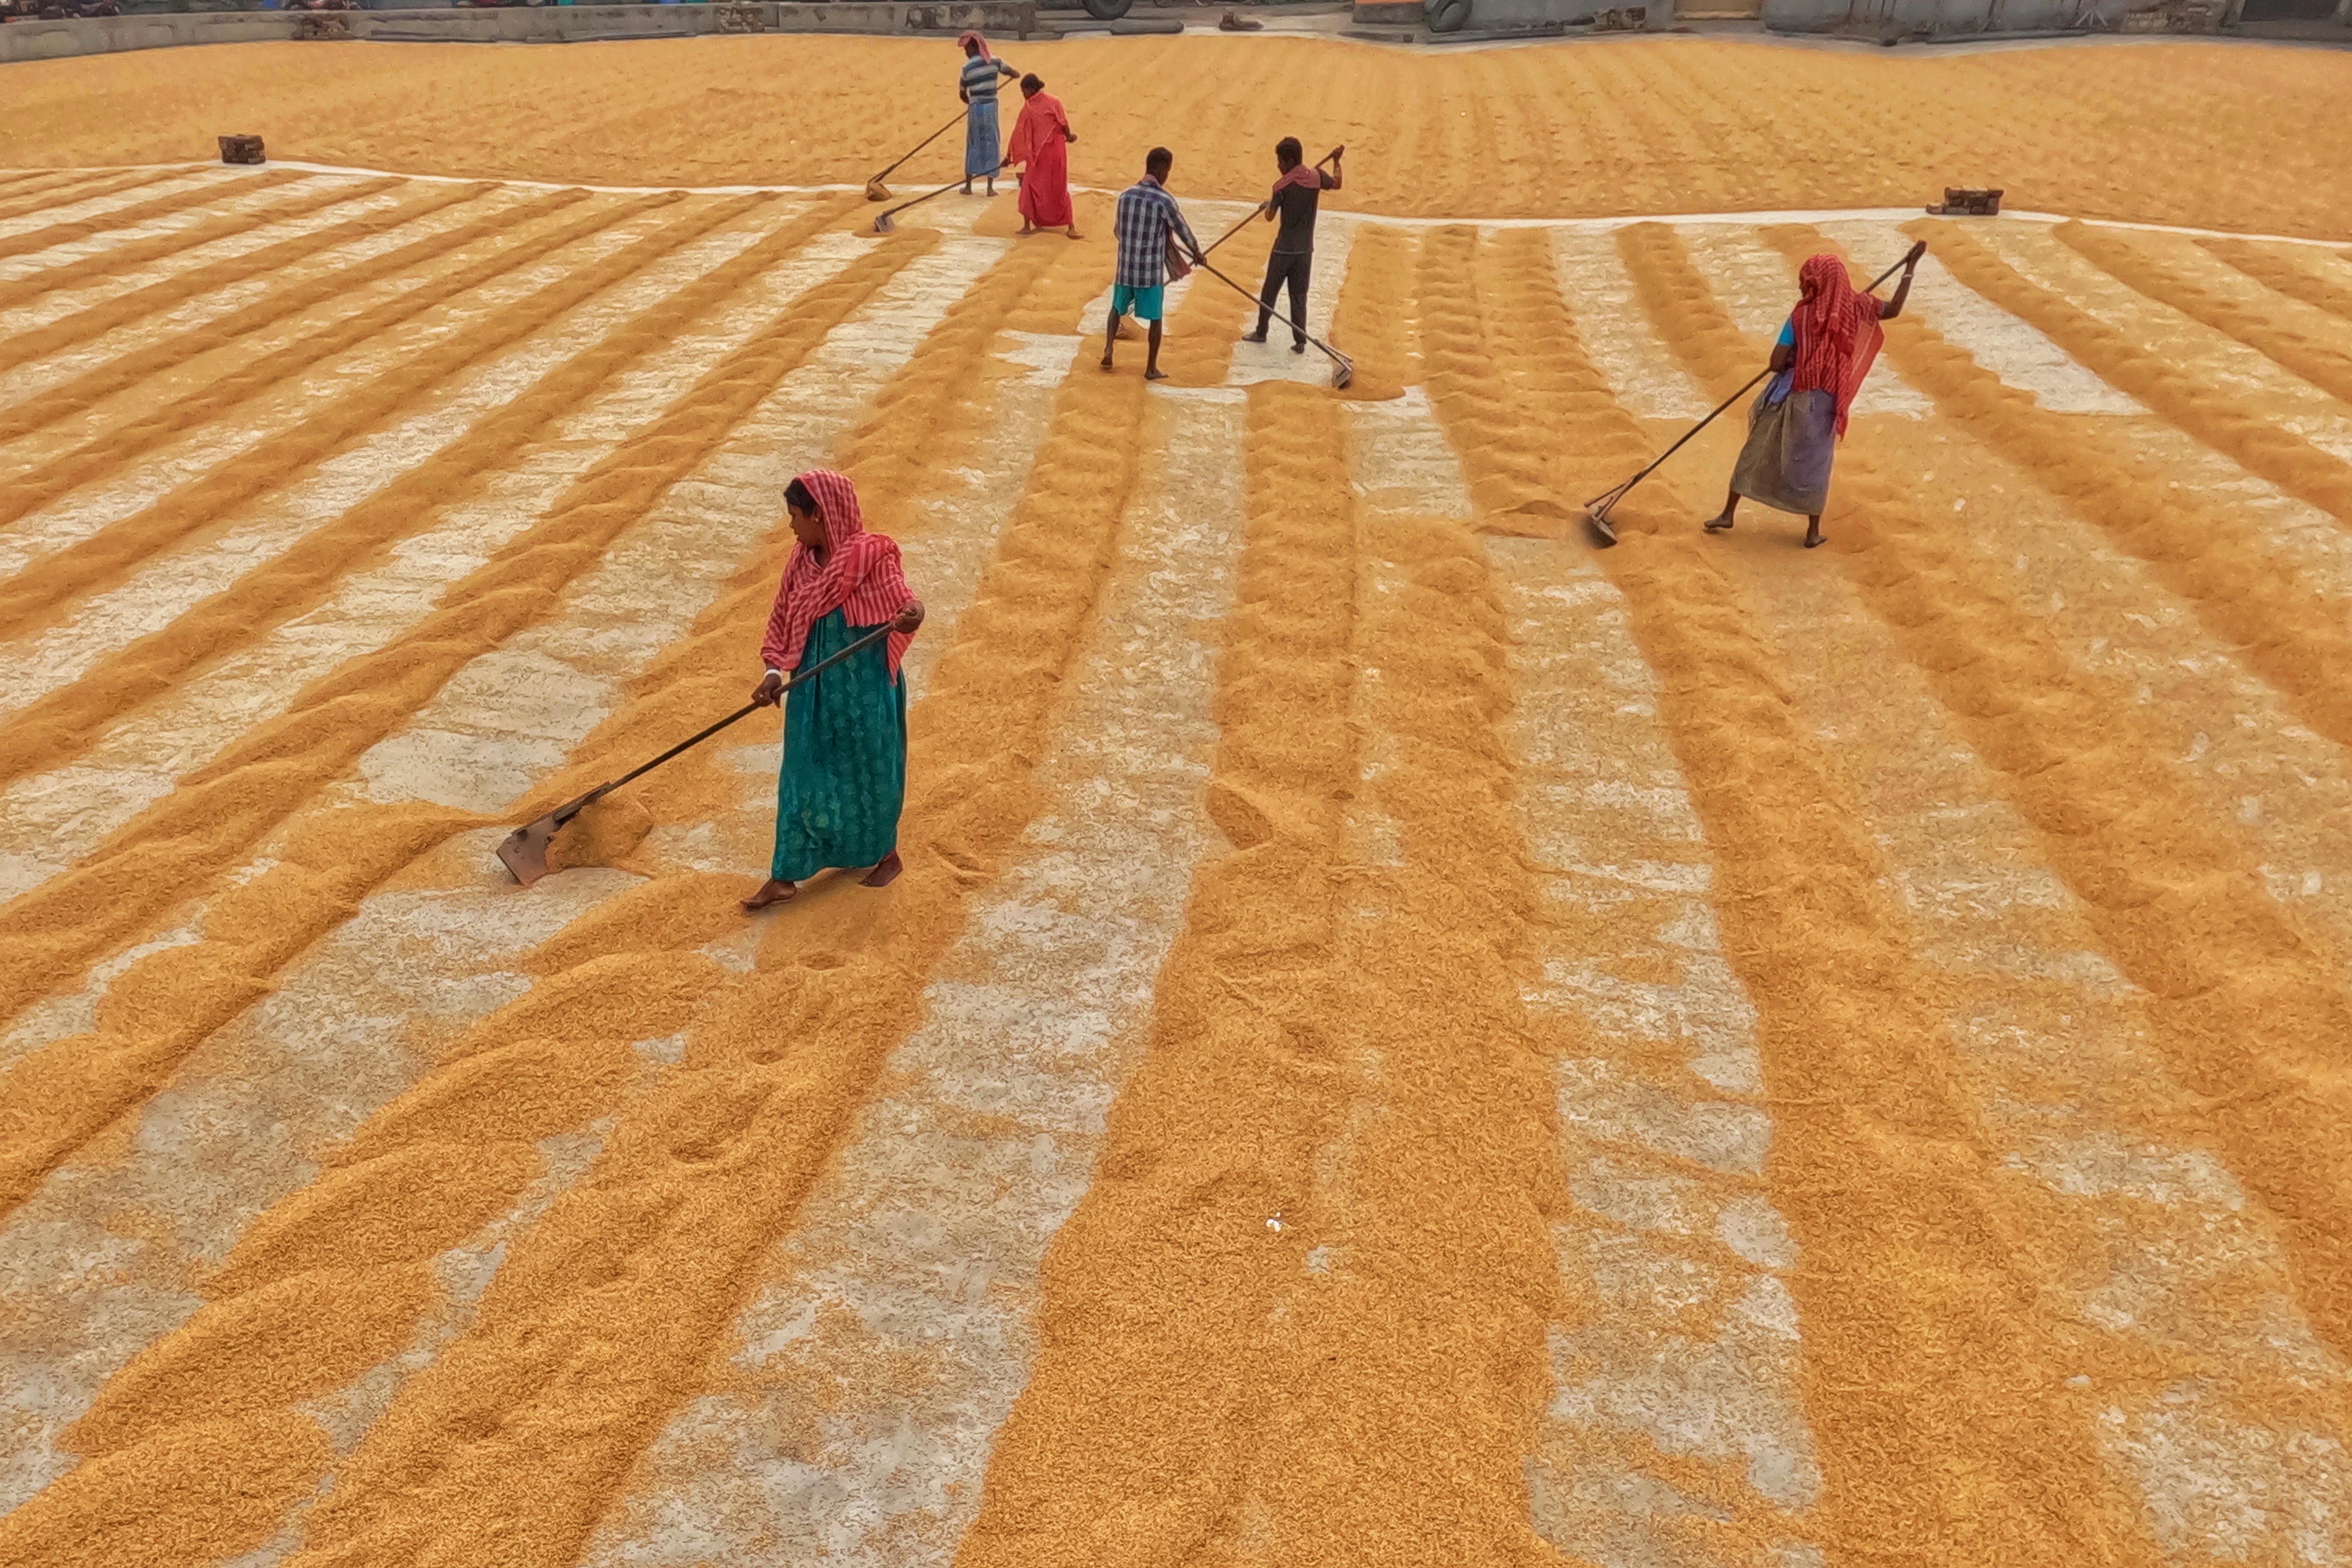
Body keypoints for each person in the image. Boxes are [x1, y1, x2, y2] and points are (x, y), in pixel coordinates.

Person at [741, 471, 926, 912]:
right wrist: (772, 672)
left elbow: (904, 601)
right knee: (802, 776)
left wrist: (912, 614)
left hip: (863, 688)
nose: (791, 527)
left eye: (795, 517)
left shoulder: (872, 555)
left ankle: (885, 854)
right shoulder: (802, 561)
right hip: (813, 688)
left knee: (870, 772)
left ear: (819, 516)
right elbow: (784, 615)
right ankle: (784, 874)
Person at [1703, 242, 1924, 549]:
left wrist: (1796, 357)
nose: (1802, 284)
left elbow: (1775, 363)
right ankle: (1812, 532)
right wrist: (1910, 268)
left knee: (1756, 450)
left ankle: (1728, 513)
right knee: (1815, 463)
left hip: (1789, 395)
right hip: (1825, 403)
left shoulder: (1801, 316)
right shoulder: (1858, 307)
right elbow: (1894, 309)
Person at [1103, 147, 1201, 383]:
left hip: (1125, 269)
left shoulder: (1126, 196)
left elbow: (1118, 232)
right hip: (1149, 272)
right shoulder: (1164, 200)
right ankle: (1150, 368)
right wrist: (1197, 252)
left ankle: (1108, 350)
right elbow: (1182, 229)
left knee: (1116, 309)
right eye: (1167, 170)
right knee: (1156, 319)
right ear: (1161, 169)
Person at [1244, 138, 1342, 353]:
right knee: (1299, 295)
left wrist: (1269, 205)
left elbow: (1270, 217)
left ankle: (1261, 332)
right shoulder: (1316, 177)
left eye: (1280, 161)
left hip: (1283, 250)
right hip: (1305, 250)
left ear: (1289, 161)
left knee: (1270, 291)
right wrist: (1336, 161)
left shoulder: (1281, 186)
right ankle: (1300, 340)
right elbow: (1337, 182)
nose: (1279, 166)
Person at [1005, 73, 1080, 239]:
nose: (1024, 95)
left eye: (1024, 91)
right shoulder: (1054, 102)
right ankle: (1071, 227)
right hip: (1055, 152)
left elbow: (1018, 134)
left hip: (1041, 155)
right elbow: (1064, 125)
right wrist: (1069, 137)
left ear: (1031, 89)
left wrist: (1009, 156)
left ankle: (1027, 226)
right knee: (1058, 187)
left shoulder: (1029, 108)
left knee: (1030, 185)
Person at [957, 32, 1019, 198]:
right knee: (992, 143)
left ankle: (969, 186)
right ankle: (990, 188)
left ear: (973, 47)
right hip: (991, 108)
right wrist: (1014, 75)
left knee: (974, 143)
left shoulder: (967, 68)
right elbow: (1012, 72)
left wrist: (971, 102)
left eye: (966, 49)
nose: (965, 52)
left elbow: (962, 94)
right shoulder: (995, 62)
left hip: (976, 109)